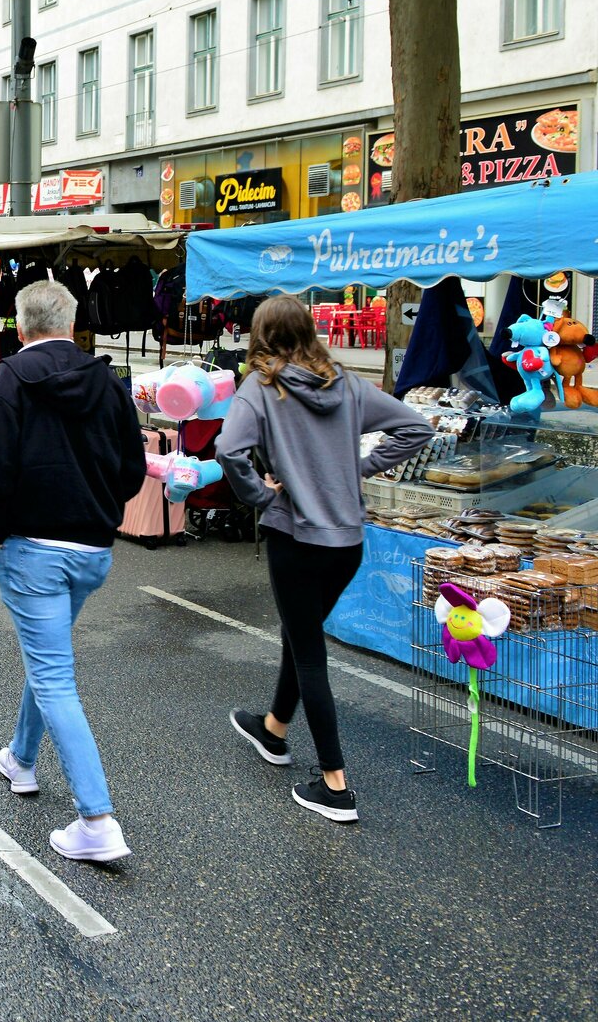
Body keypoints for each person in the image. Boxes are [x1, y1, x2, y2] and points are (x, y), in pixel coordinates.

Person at [215, 295, 433, 824]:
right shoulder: (347, 384)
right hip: (347, 542)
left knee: (309, 652)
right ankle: (273, 730)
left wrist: (263, 497)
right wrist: (360, 466)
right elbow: (418, 428)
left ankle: (335, 784)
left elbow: (228, 451)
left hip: (296, 535)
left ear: (261, 336)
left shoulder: (261, 387)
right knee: (302, 633)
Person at [0, 280, 146, 864]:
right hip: (92, 548)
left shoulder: (8, 380)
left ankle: (97, 819)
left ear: (20, 327)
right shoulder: (108, 381)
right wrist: (102, 510)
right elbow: (132, 468)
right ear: (73, 324)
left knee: (53, 675)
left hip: (32, 547)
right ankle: (20, 758)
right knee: (49, 661)